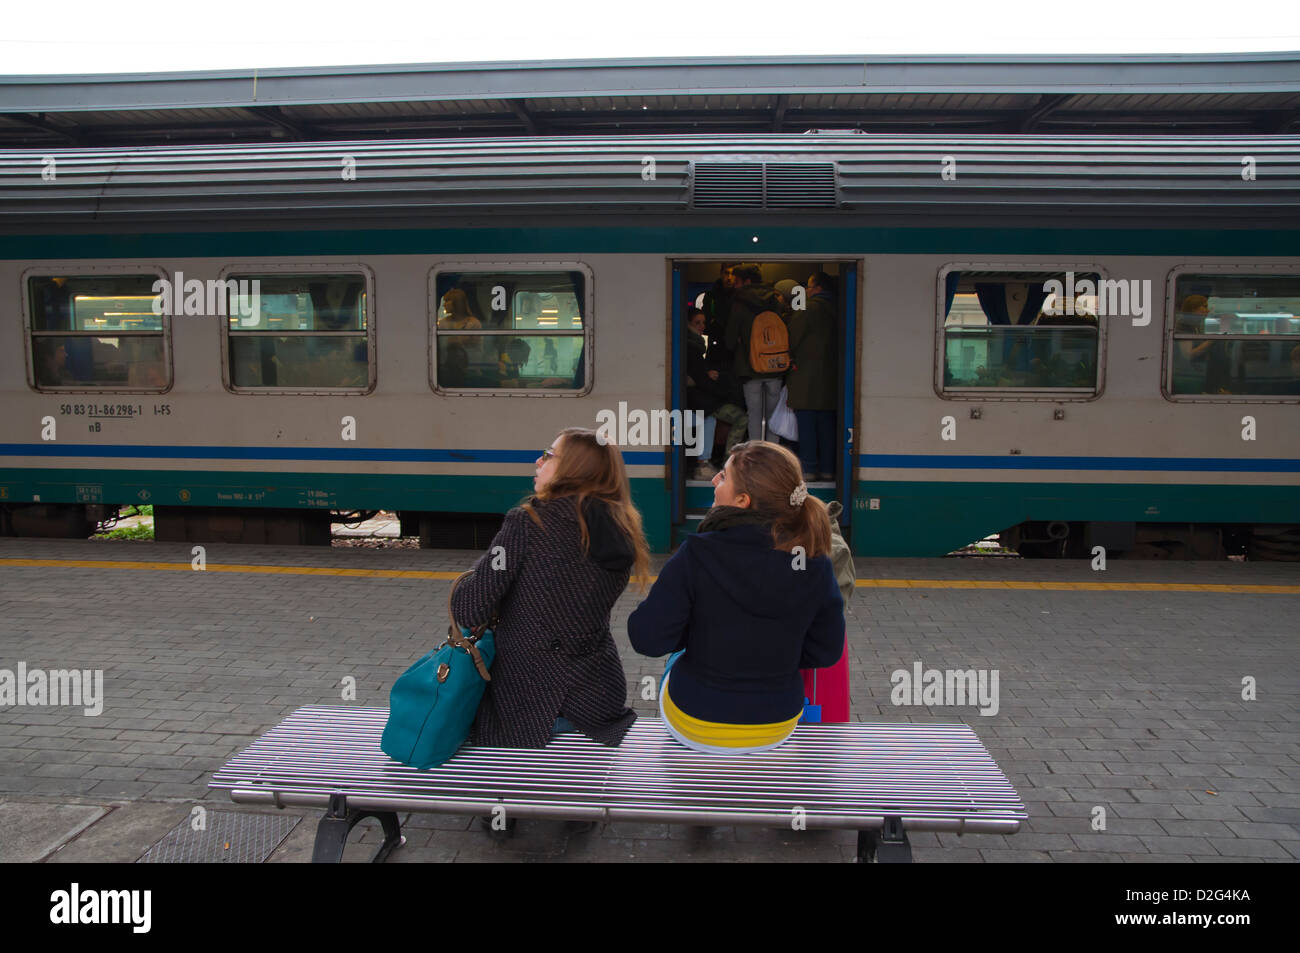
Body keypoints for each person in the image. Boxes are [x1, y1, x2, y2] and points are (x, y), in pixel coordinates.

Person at [627, 441, 845, 754]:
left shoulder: (698, 553)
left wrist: (698, 632)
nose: (715, 481)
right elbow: (825, 652)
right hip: (777, 724)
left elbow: (647, 639)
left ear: (742, 500)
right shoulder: (813, 558)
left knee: (676, 660)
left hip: (696, 722)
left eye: (724, 477)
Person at [450, 428, 650, 748]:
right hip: (597, 701)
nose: (538, 461)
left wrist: (487, 564)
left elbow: (468, 608)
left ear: (574, 468)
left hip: (528, 705)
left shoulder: (528, 523)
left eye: (548, 455)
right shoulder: (622, 528)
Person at [785, 272, 838, 482]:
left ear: (817, 288)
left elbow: (792, 337)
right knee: (827, 426)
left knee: (807, 425)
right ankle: (828, 469)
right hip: (832, 379)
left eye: (808, 286)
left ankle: (808, 468)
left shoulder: (808, 309)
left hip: (806, 378)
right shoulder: (841, 308)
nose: (806, 291)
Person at [725, 264, 786, 442]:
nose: (734, 285)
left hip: (749, 367)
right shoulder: (775, 300)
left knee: (754, 415)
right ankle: (772, 454)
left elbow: (729, 340)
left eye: (737, 281)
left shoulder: (738, 304)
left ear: (747, 281)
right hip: (775, 365)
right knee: (773, 415)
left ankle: (756, 454)